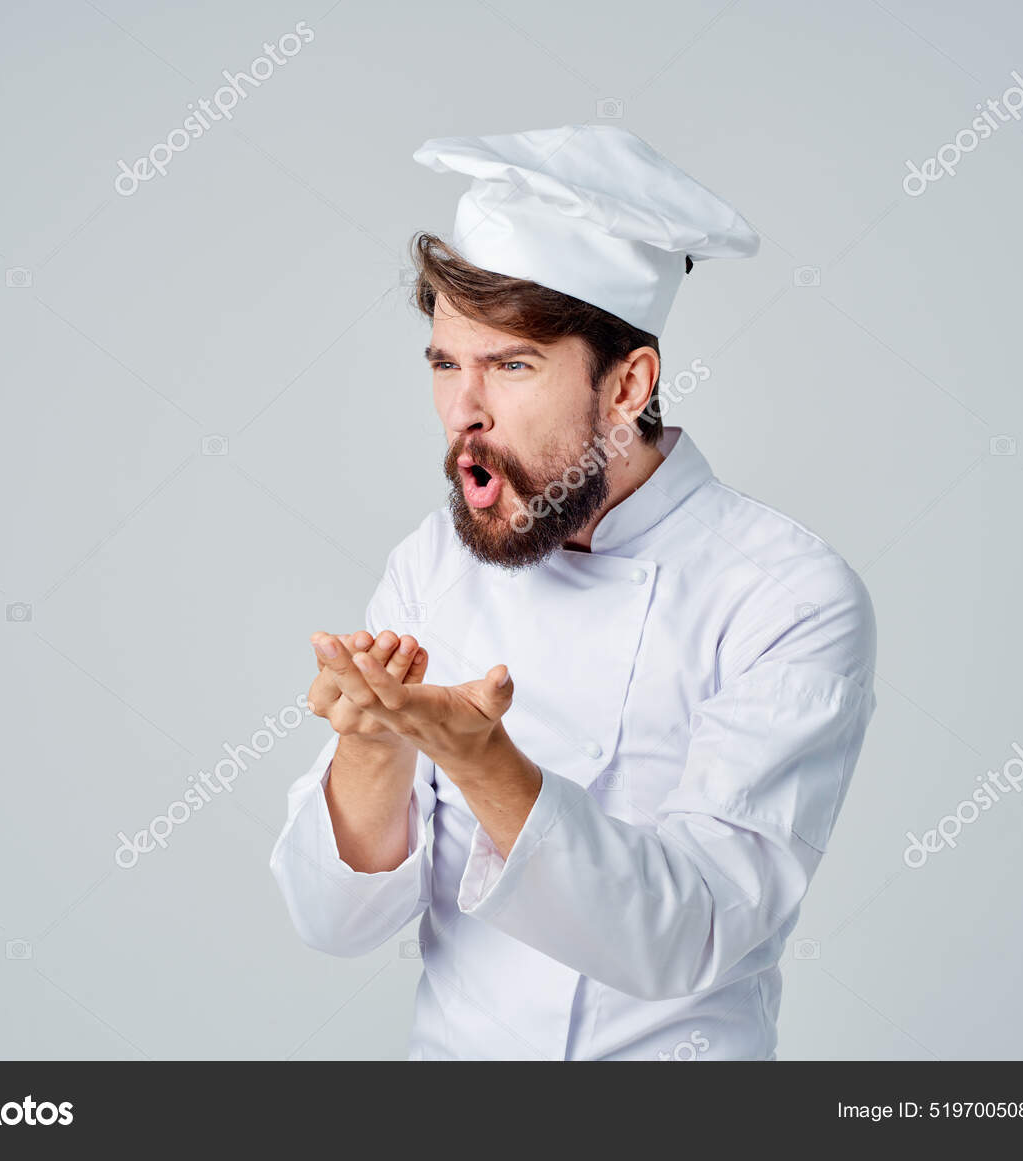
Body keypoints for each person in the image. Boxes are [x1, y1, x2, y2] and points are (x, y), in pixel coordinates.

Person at [269, 125, 878, 1060]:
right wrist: (373, 743)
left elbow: (692, 932)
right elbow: (330, 922)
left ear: (629, 384)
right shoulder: (432, 562)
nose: (465, 410)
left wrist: (484, 762)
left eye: (511, 364)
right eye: (444, 363)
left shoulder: (786, 595)